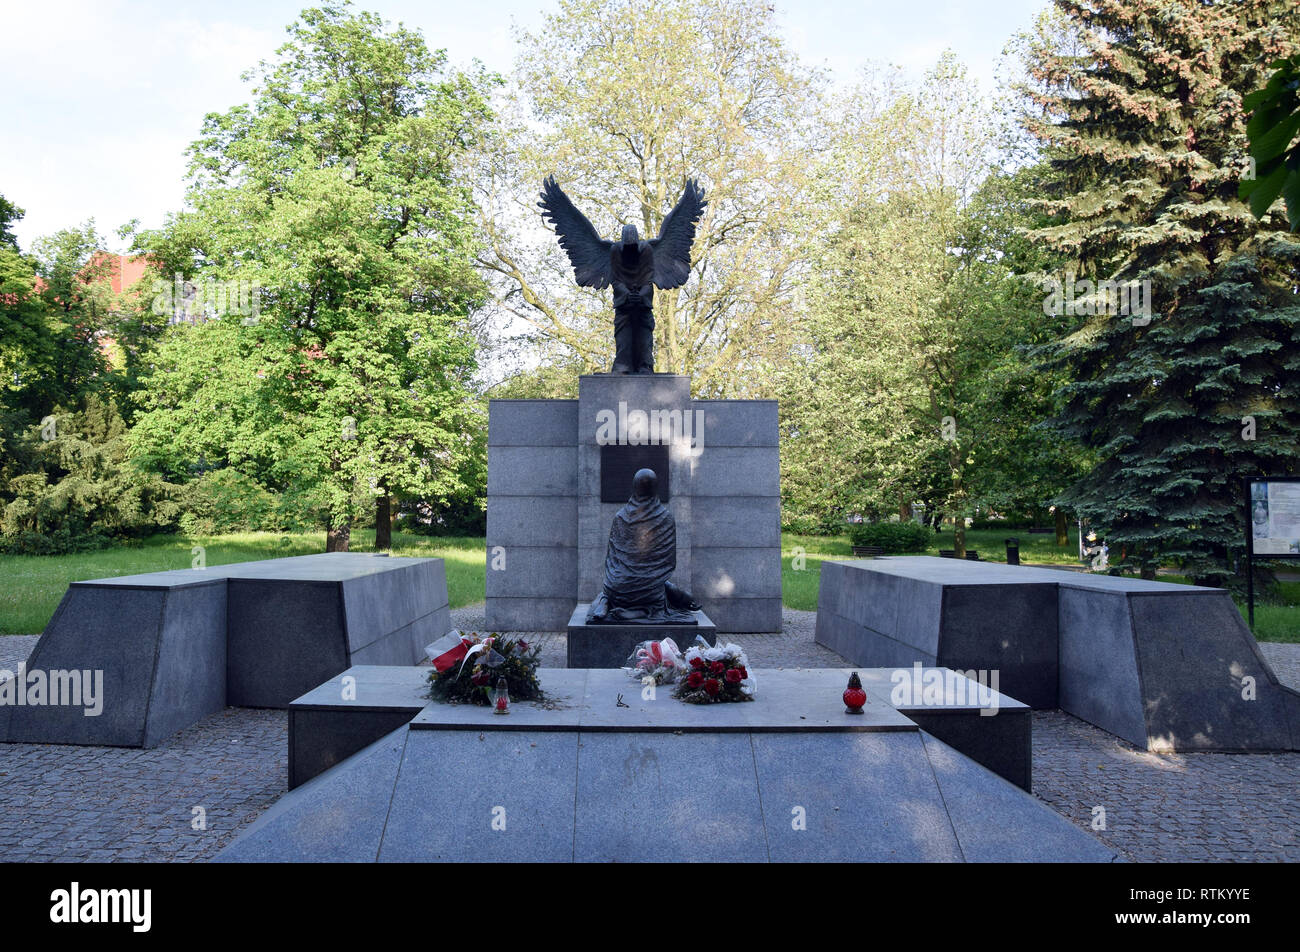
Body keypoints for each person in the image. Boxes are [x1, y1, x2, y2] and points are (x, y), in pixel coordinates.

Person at [587, 468, 701, 624]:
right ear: (655, 488)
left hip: (617, 589)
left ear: (634, 488)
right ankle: (644, 609)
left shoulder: (620, 517)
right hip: (650, 593)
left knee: (618, 584)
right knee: (661, 589)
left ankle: (606, 599)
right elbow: (668, 564)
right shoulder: (666, 518)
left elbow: (611, 560)